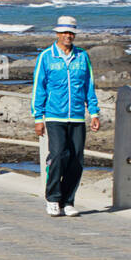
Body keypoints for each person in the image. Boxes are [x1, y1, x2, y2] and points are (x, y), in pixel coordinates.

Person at [31, 16, 100, 216]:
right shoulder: (46, 56)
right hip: (54, 116)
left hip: (77, 117)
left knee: (76, 161)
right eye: (64, 32)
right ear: (57, 34)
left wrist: (94, 113)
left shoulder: (82, 56)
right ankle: (52, 198)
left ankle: (68, 201)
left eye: (71, 33)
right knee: (59, 155)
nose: (68, 36)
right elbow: (39, 88)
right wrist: (38, 117)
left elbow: (89, 86)